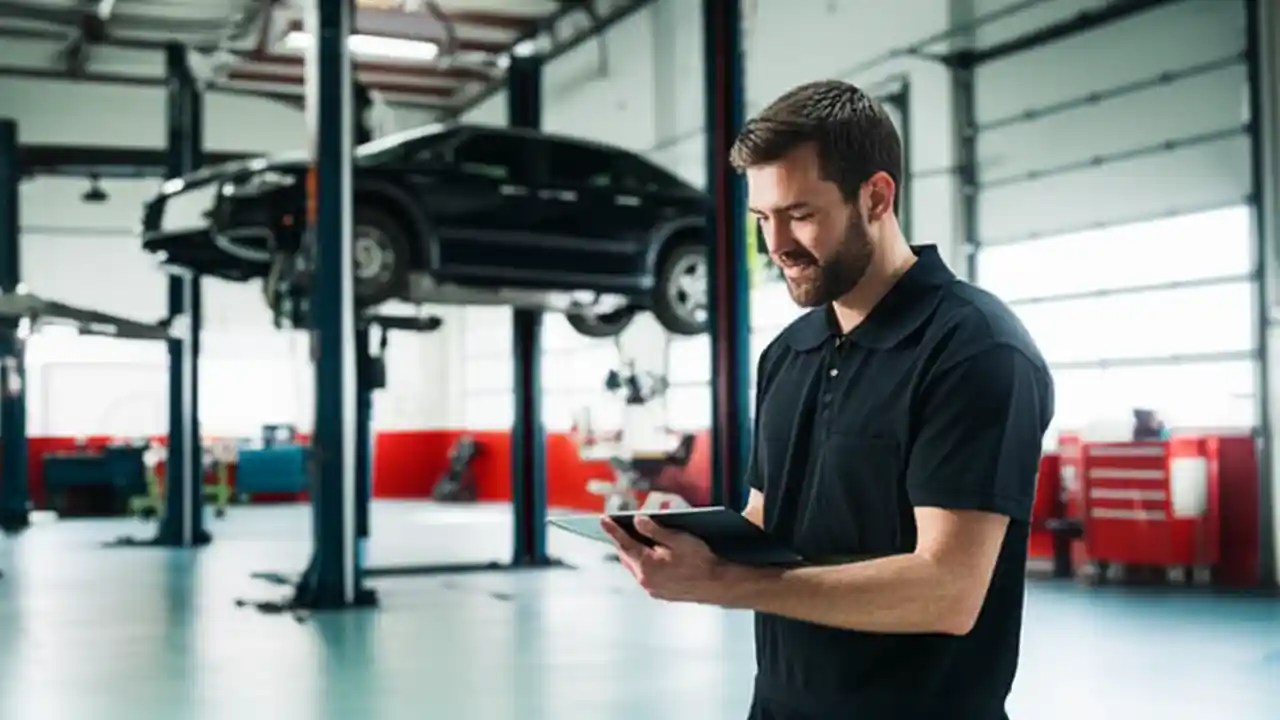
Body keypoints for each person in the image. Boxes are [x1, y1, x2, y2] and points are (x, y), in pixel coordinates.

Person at [601, 80, 1055, 719]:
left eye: (801, 214)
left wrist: (724, 583)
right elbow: (769, 525)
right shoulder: (787, 353)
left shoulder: (974, 350)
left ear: (875, 196)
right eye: (763, 218)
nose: (775, 245)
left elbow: (948, 591)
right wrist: (688, 540)